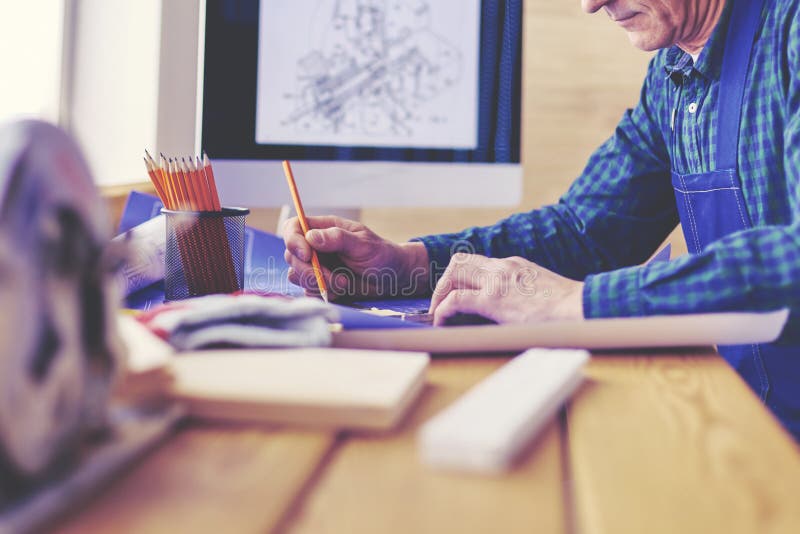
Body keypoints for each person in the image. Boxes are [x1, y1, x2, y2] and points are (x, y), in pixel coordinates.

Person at [283, 0, 800, 441]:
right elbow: (586, 229)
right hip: (752, 423)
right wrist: (408, 265)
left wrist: (572, 302)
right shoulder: (671, 78)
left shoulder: (790, 32)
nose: (591, 3)